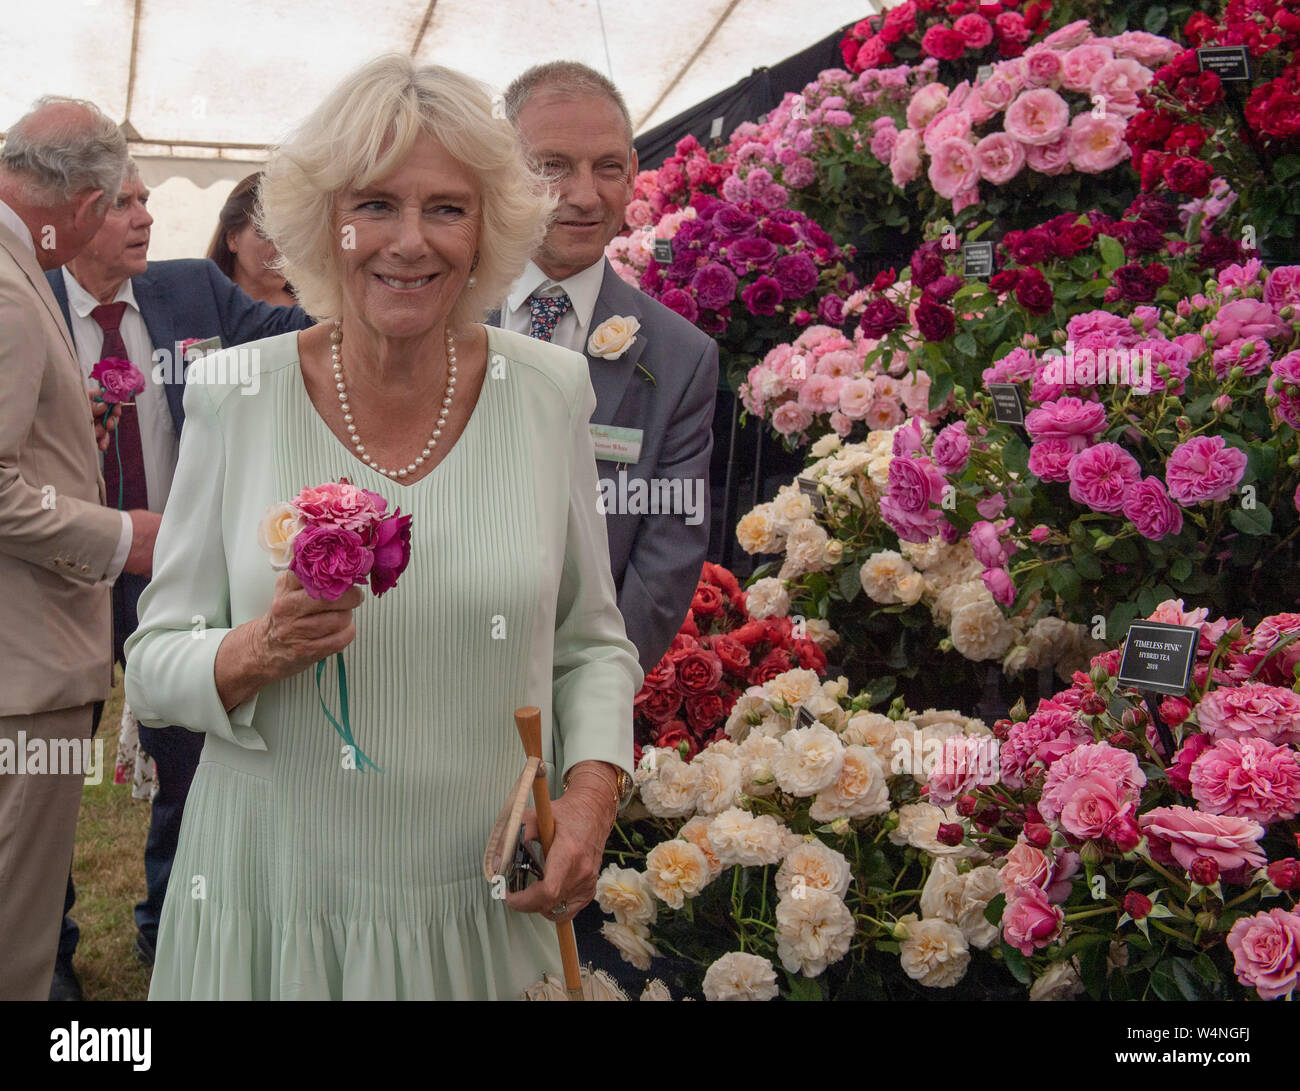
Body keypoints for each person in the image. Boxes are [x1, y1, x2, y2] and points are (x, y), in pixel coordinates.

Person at [124, 54, 642, 1000]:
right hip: (273, 905)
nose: (410, 241)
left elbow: (591, 643)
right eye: (374, 205)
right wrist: (255, 648)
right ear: (327, 222)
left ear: (488, 226)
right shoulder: (237, 392)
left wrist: (590, 797)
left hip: (476, 908)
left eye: (446, 207)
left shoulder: (550, 391)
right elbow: (156, 658)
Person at [45, 160, 314, 994]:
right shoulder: (28, 306)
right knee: (48, 774)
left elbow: (298, 327)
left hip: (179, 570)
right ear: (78, 215)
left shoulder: (194, 289)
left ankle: (170, 923)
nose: (143, 218)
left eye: (145, 201)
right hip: (57, 579)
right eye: (121, 203)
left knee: (189, 752)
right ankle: (44, 953)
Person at [498, 61, 718, 675]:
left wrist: (594, 687)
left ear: (632, 177)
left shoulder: (681, 356)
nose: (585, 195)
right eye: (553, 167)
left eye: (608, 168)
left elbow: (669, 552)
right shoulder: (436, 310)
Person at [0, 95, 144, 1001]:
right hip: (24, 675)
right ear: (85, 205)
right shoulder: (10, 288)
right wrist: (126, 535)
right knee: (15, 926)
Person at [206, 172, 297, 306]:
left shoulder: (311, 316)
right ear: (232, 238)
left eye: (291, 236)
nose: (282, 248)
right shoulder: (200, 306)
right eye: (266, 234)